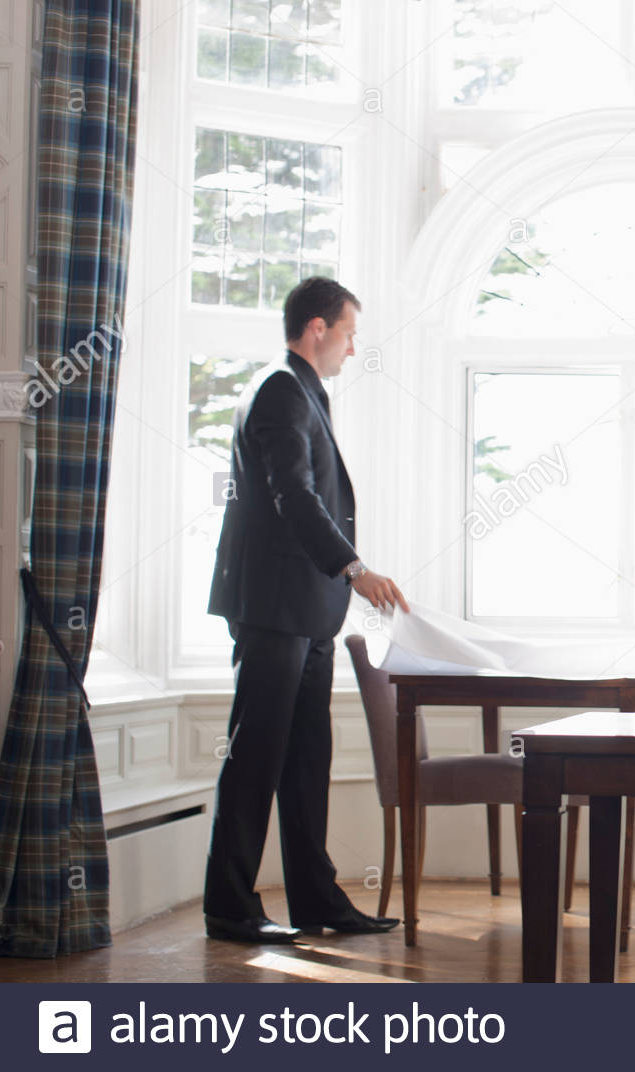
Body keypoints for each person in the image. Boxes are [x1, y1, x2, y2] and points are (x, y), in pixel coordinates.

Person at [203, 276, 408, 943]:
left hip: (308, 610)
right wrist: (354, 567)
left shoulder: (297, 392)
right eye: (349, 333)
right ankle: (229, 908)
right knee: (255, 757)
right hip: (275, 607)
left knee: (304, 759)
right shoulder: (279, 391)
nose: (353, 349)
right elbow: (293, 495)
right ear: (317, 328)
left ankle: (318, 903)